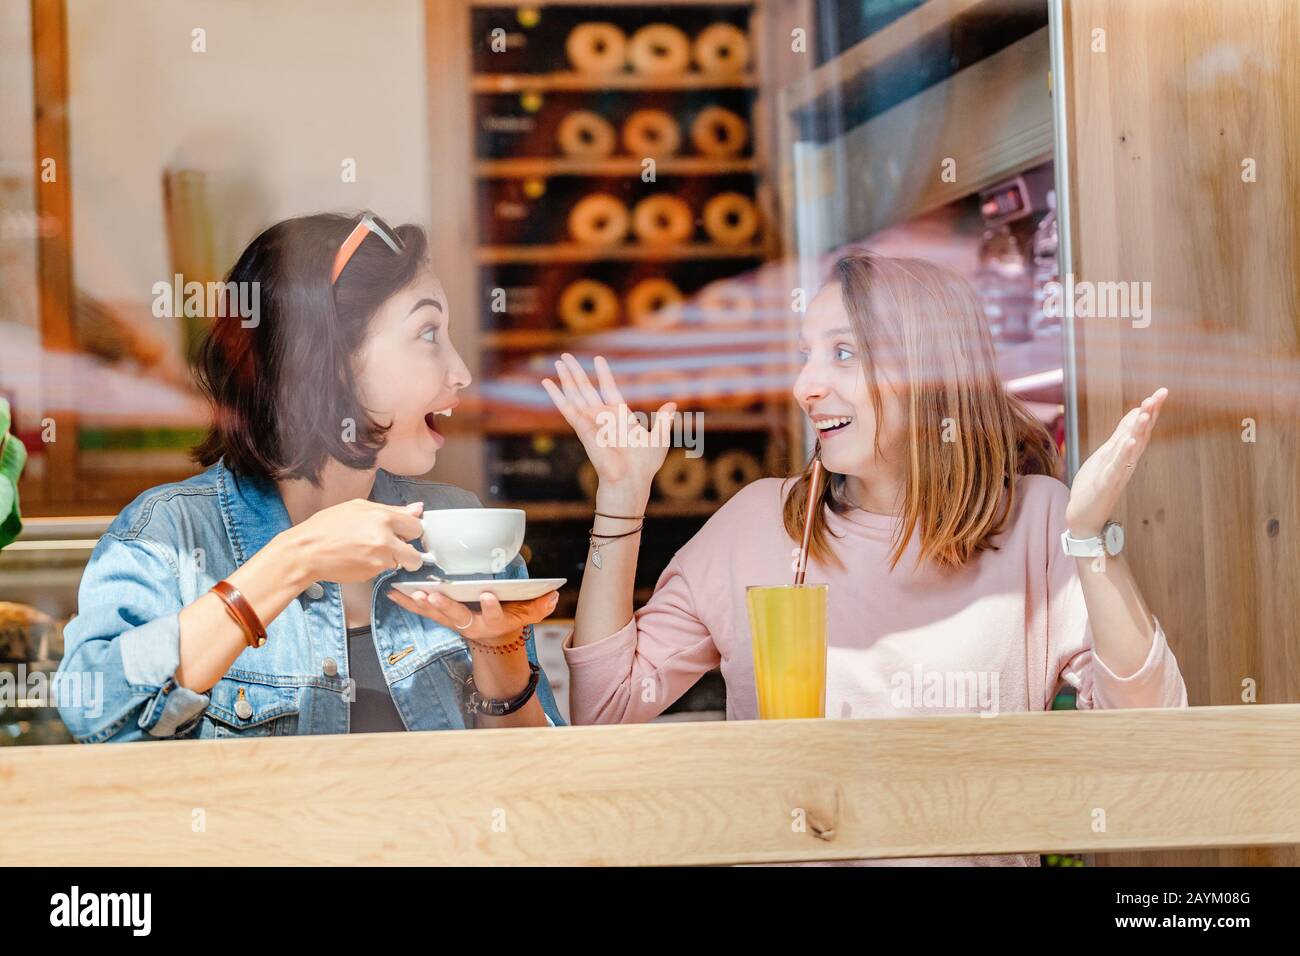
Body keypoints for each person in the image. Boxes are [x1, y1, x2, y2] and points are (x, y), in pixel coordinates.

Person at [542, 251, 1187, 866]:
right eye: (807, 356)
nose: (804, 386)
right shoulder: (759, 524)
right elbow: (605, 708)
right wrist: (622, 499)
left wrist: (1088, 535)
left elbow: (1152, 735)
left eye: (843, 353)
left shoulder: (1040, 522)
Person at [55, 212, 564, 742]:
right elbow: (95, 717)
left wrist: (499, 652)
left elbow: (532, 778)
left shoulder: (459, 526)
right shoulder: (169, 535)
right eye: (428, 333)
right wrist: (294, 561)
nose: (460, 373)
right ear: (325, 359)